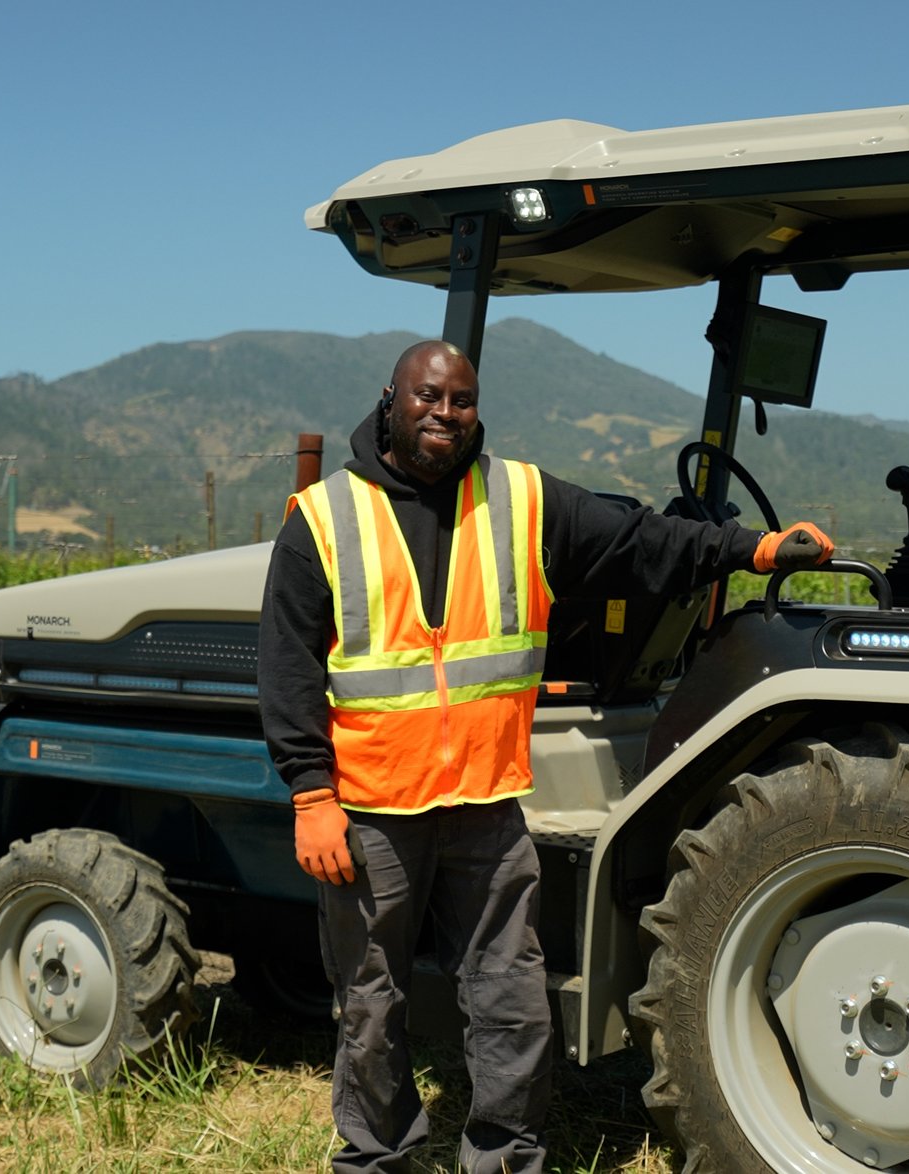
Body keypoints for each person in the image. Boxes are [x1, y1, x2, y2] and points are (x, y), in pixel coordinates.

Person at [258, 339, 833, 1173]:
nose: (444, 415)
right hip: (374, 811)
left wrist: (755, 550)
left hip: (487, 807)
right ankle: (376, 1157)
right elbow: (287, 666)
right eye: (427, 398)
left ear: (476, 408)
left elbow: (641, 539)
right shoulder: (324, 519)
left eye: (460, 401)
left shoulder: (521, 497)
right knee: (369, 1005)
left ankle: (504, 1157)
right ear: (391, 402)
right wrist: (312, 795)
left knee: (513, 998)